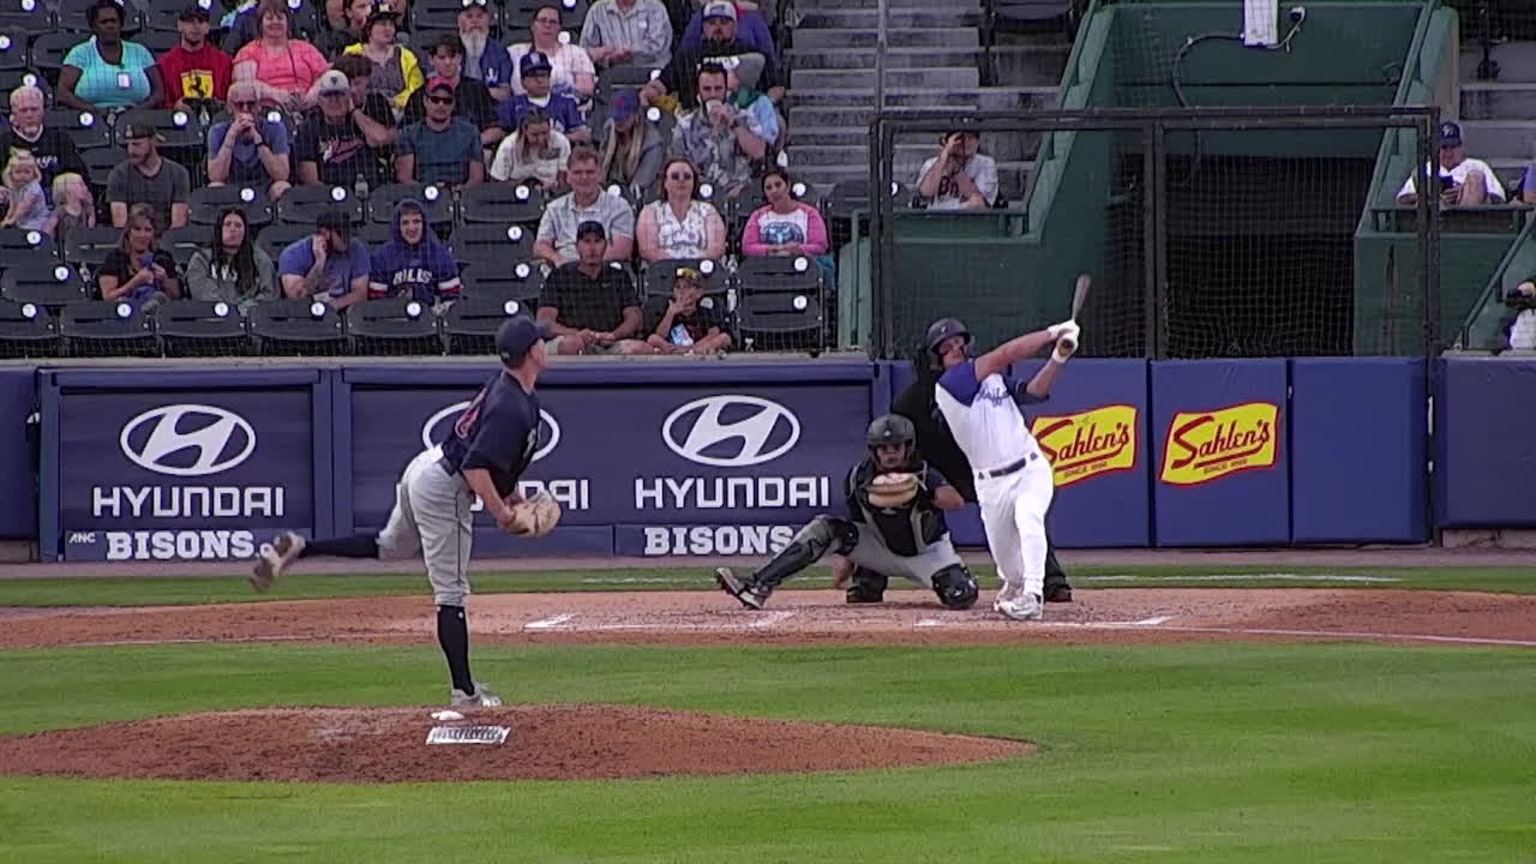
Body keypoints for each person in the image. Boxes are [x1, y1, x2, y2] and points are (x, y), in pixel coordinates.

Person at [252, 316, 559, 708]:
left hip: (427, 467)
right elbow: (475, 467)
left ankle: (299, 547)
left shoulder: (509, 390)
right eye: (541, 343)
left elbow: (490, 459)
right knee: (451, 593)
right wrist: (501, 512)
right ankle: (464, 692)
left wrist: (512, 495)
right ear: (531, 352)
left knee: (389, 546)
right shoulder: (512, 406)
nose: (546, 347)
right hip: (445, 486)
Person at [891, 317, 1075, 605]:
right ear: (935, 357)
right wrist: (1052, 332)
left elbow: (1035, 392)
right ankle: (1016, 584)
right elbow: (1006, 354)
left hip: (1029, 467)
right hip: (990, 482)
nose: (955, 349)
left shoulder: (994, 379)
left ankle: (1034, 593)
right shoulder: (950, 384)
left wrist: (1059, 357)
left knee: (1029, 517)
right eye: (945, 347)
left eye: (958, 343)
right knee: (1008, 563)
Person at [715, 414, 979, 611]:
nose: (889, 454)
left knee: (963, 596)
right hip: (880, 549)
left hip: (927, 554)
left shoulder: (923, 473)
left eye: (895, 448)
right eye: (883, 449)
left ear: (907, 448)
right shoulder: (857, 478)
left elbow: (955, 501)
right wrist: (846, 559)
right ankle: (757, 585)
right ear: (873, 450)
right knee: (825, 527)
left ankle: (896, 578)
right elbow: (856, 524)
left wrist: (922, 493)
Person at [536, 220, 648, 355]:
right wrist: (577, 334)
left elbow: (634, 317)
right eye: (587, 242)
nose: (592, 248)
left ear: (605, 245)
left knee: (640, 348)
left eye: (597, 241)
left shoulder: (619, 277)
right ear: (577, 246)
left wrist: (614, 335)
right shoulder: (559, 276)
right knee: (572, 344)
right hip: (571, 339)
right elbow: (545, 321)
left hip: (610, 342)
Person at [292, 67, 395, 189]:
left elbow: (380, 140)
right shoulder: (308, 128)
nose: (334, 101)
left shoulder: (361, 120)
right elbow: (309, 179)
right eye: (328, 95)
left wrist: (354, 112)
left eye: (340, 95)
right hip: (327, 198)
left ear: (349, 97)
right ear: (319, 100)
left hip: (370, 191)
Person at [58, 0, 165, 113]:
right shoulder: (79, 54)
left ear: (121, 24)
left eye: (114, 21)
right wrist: (95, 111)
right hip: (92, 119)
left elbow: (158, 92)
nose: (110, 25)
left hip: (138, 117)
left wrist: (136, 112)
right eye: (104, 22)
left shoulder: (140, 52)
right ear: (94, 26)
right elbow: (63, 93)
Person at [232, 0, 330, 112]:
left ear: (288, 22)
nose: (275, 22)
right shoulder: (248, 52)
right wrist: (276, 95)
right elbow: (245, 86)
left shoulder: (306, 48)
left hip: (308, 110)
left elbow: (326, 76)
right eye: (269, 18)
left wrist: (312, 95)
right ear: (260, 24)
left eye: (280, 18)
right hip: (265, 113)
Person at [402, 34, 497, 145]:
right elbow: (407, 133)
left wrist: (472, 143)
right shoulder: (419, 96)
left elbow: (496, 128)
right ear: (431, 60)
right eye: (442, 58)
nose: (448, 62)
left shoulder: (477, 89)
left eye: (452, 57)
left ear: (460, 59)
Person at [206, 80, 293, 201]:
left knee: (282, 187)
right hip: (231, 188)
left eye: (251, 104)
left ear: (259, 107)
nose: (245, 109)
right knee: (214, 187)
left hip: (264, 188)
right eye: (239, 105)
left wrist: (258, 140)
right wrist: (231, 136)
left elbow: (282, 174)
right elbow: (215, 177)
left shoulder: (276, 129)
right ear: (230, 108)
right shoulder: (217, 131)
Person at [368, 198, 462, 303]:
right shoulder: (381, 257)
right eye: (405, 223)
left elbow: (452, 300)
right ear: (397, 227)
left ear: (424, 224)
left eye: (416, 221)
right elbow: (376, 302)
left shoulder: (441, 256)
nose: (411, 228)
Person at [395, 78, 485, 188]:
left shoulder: (470, 132)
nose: (441, 105)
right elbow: (405, 178)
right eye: (435, 99)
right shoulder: (409, 134)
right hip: (421, 197)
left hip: (461, 196)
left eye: (447, 101)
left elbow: (476, 178)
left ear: (453, 104)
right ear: (425, 101)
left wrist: (460, 194)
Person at [0, 87, 88, 199]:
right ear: (13, 115)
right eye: (23, 110)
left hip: (56, 203)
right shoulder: (3, 143)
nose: (29, 115)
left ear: (42, 112)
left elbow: (78, 175)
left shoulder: (60, 139)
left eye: (34, 109)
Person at [636, 157, 726, 263]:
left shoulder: (709, 211)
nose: (681, 180)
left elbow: (716, 249)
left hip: (701, 272)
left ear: (694, 183)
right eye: (675, 177)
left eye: (687, 177)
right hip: (662, 272)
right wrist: (676, 266)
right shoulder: (650, 211)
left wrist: (691, 267)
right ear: (665, 183)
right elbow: (648, 250)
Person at [185, 205, 278, 309]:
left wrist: (245, 309)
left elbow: (269, 293)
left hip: (251, 317)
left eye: (238, 226)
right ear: (219, 229)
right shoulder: (201, 259)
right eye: (227, 224)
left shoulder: (260, 260)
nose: (233, 229)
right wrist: (227, 310)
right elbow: (201, 292)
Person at [278, 208, 370, 309]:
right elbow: (297, 297)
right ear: (325, 233)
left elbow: (360, 294)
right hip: (306, 313)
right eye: (340, 233)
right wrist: (319, 263)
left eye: (348, 232)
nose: (347, 238)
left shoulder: (356, 249)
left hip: (343, 310)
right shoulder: (292, 254)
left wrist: (332, 306)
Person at [1398, 120, 1505, 207]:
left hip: (1471, 217)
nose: (1449, 153)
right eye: (1444, 148)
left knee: (1475, 177)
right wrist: (1434, 196)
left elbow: (1499, 198)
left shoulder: (1478, 166)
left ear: (1462, 147)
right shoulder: (1427, 168)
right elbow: (1402, 198)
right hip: (1436, 217)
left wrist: (1465, 190)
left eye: (1453, 147)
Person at [96, 203, 183, 310]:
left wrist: (165, 280)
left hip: (159, 316)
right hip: (125, 314)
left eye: (148, 230)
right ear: (128, 232)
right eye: (137, 229)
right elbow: (108, 298)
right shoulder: (115, 258)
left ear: (153, 233)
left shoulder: (163, 258)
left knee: (159, 298)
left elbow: (176, 297)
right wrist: (135, 283)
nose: (142, 235)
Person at [106, 122, 192, 231]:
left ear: (153, 142)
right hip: (133, 239)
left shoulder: (178, 173)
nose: (131, 150)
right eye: (128, 144)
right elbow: (120, 224)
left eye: (137, 144)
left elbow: (178, 224)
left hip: (167, 240)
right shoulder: (119, 174)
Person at [494, 51, 588, 147]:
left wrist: (554, 140)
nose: (539, 80)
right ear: (522, 81)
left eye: (543, 75)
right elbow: (501, 134)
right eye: (533, 75)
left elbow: (582, 135)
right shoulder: (511, 105)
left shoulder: (566, 103)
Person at [342, 9, 424, 117]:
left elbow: (416, 88)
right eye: (382, 24)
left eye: (391, 24)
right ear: (369, 28)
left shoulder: (406, 56)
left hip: (400, 112)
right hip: (364, 111)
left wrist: (396, 102)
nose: (388, 29)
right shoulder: (353, 52)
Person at [508, 5, 596, 102]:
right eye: (543, 20)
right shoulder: (513, 52)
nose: (548, 25)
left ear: (559, 28)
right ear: (533, 26)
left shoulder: (576, 53)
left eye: (553, 22)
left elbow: (586, 89)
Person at [741, 167, 828, 261]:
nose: (774, 191)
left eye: (778, 185)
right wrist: (772, 250)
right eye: (768, 188)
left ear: (788, 186)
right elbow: (748, 247)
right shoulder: (757, 216)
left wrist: (797, 250)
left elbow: (820, 246)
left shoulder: (810, 214)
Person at [158, 3, 233, 111]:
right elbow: (162, 104)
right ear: (180, 25)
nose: (196, 26)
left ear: (207, 27)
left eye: (201, 21)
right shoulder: (166, 63)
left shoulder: (224, 61)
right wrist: (175, 107)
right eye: (190, 21)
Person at [644, 266, 731, 355]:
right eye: (678, 287)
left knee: (724, 338)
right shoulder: (666, 310)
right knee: (653, 338)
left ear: (698, 293)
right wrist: (670, 313)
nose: (681, 291)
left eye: (687, 287)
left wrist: (692, 348)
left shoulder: (706, 312)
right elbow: (659, 335)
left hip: (698, 348)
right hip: (673, 348)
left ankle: (692, 351)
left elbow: (713, 333)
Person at [596, 89, 664, 199]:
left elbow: (643, 182)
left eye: (624, 117)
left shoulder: (652, 142)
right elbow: (601, 162)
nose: (619, 122)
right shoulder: (609, 128)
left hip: (639, 196)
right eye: (616, 118)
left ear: (636, 114)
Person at [916, 128, 998, 211]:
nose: (966, 142)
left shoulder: (985, 163)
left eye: (971, 138)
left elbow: (981, 204)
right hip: (936, 218)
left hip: (968, 219)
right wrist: (944, 156)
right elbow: (925, 193)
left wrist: (955, 169)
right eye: (960, 138)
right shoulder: (932, 163)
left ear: (977, 142)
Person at [489, 108, 571, 189]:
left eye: (545, 133)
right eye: (535, 135)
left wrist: (556, 187)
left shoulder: (561, 142)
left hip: (552, 192)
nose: (541, 139)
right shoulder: (508, 146)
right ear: (524, 130)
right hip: (517, 193)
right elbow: (497, 183)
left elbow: (564, 178)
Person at [580, 0, 674, 69]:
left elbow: (659, 46)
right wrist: (608, 58)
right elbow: (584, 53)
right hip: (612, 75)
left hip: (653, 74)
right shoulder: (597, 10)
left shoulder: (655, 8)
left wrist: (630, 53)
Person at [456, 0, 511, 100]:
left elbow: (505, 93)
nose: (475, 21)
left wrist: (476, 94)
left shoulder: (500, 52)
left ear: (488, 20)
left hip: (490, 109)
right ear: (460, 22)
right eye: (469, 16)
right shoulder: (450, 49)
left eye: (480, 16)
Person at [43, 173, 96, 249]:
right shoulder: (60, 211)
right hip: (64, 247)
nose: (86, 188)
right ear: (68, 189)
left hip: (81, 247)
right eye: (81, 185)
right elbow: (47, 230)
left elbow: (90, 232)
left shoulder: (87, 210)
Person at [0, 152, 51, 232]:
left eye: (27, 172)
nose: (22, 175)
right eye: (18, 172)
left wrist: (12, 220)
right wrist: (7, 218)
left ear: (34, 173)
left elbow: (23, 207)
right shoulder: (14, 187)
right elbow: (13, 205)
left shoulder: (34, 188)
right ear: (10, 173)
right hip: (21, 220)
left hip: (37, 219)